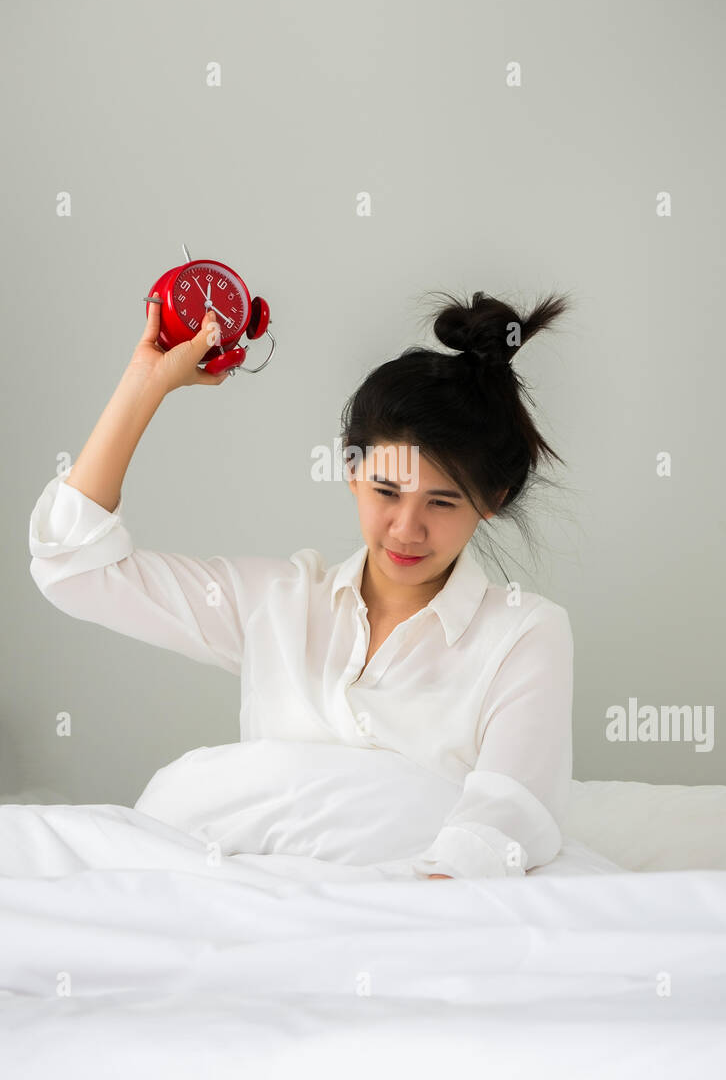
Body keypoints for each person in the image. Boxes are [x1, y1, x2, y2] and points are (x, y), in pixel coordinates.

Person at [29, 287, 575, 881]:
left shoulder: (524, 632)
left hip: (413, 912)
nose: (406, 529)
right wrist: (146, 382)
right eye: (386, 492)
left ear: (492, 501)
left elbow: (505, 820)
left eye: (441, 502)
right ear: (351, 473)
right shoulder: (278, 602)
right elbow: (76, 570)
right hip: (253, 905)